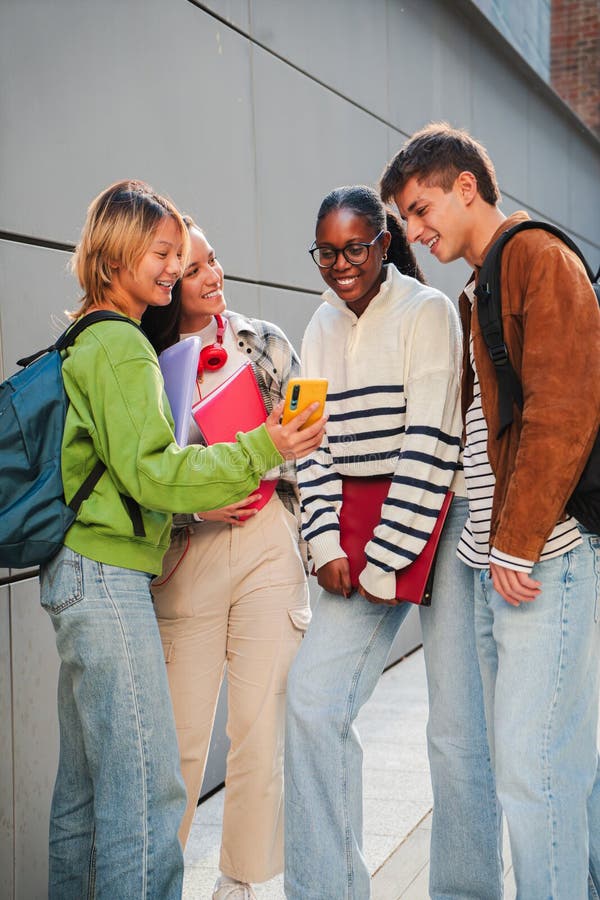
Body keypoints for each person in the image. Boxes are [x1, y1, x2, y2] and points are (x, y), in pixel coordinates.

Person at [39, 180, 325, 900]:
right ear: (116, 259)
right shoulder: (126, 348)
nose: (176, 268)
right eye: (163, 255)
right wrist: (263, 446)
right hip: (107, 577)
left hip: (83, 570)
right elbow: (154, 476)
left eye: (184, 255)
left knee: (82, 795)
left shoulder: (88, 337)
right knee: (148, 791)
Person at [380, 122, 600, 899]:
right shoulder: (481, 280)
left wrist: (515, 544)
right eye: (407, 218)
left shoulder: (536, 255)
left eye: (420, 207)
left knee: (535, 772)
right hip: (494, 557)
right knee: (554, 767)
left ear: (465, 187)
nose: (414, 231)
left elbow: (565, 407)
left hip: (539, 557)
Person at [284, 185, 503, 900]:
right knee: (312, 702)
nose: (340, 263)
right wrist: (326, 546)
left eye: (355, 247)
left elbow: (431, 443)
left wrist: (384, 560)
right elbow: (306, 449)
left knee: (457, 727)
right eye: (327, 250)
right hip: (353, 528)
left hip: (440, 520)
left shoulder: (426, 311)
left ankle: (466, 891)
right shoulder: (315, 328)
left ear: (383, 243)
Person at [141, 217, 311, 900]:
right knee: (180, 740)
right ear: (168, 284)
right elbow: (141, 475)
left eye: (215, 262)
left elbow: (308, 440)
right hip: (192, 553)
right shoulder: (146, 363)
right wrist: (195, 508)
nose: (212, 277)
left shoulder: (263, 341)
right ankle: (155, 880)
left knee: (259, 723)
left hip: (269, 540)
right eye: (194, 269)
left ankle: (238, 882)